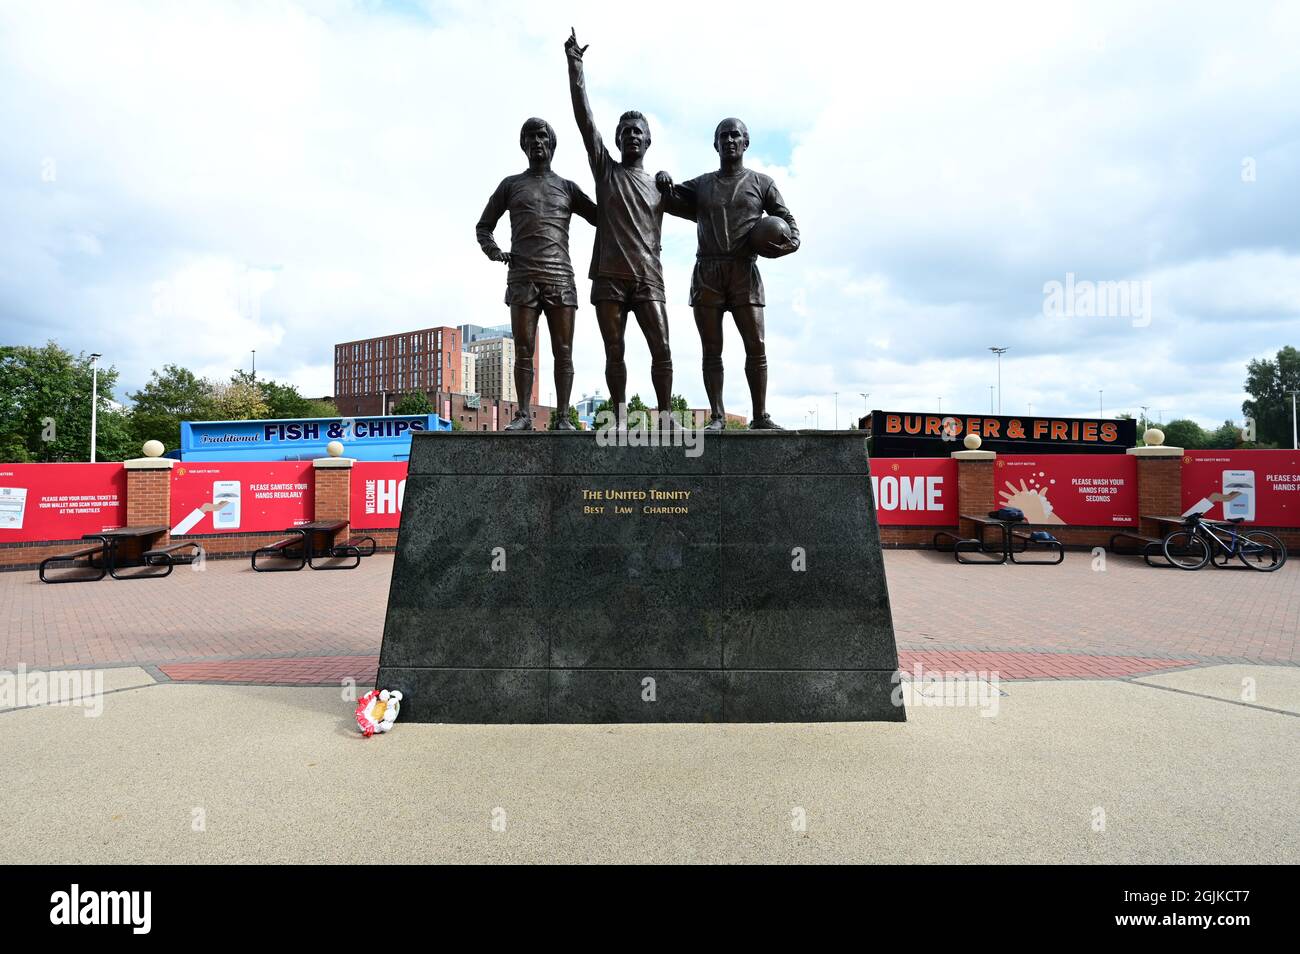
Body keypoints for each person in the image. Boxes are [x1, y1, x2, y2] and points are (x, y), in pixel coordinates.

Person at [565, 27, 682, 428]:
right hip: (610, 278)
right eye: (625, 131)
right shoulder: (606, 171)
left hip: (648, 277)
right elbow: (585, 120)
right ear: (616, 140)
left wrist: (668, 181)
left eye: (638, 131)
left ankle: (666, 416)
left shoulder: (661, 186)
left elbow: (704, 208)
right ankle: (617, 417)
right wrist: (575, 66)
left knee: (662, 348)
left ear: (648, 141)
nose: (631, 135)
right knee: (614, 352)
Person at [656, 118, 799, 429]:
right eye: (724, 136)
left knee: (756, 345)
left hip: (744, 271)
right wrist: (663, 179)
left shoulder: (762, 183)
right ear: (715, 144)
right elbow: (668, 197)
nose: (730, 140)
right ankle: (718, 416)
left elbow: (788, 221)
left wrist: (790, 244)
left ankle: (760, 416)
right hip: (708, 272)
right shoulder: (702, 184)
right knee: (711, 349)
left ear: (746, 142)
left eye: (736, 135)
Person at [475, 117, 597, 430]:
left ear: (552, 144)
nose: (536, 142)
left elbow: (603, 218)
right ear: (523, 145)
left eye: (541, 137)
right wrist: (494, 251)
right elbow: (484, 226)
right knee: (523, 351)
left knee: (564, 352)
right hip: (522, 279)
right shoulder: (510, 185)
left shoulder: (568, 188)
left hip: (560, 278)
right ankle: (523, 415)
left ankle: (564, 417)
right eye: (530, 138)